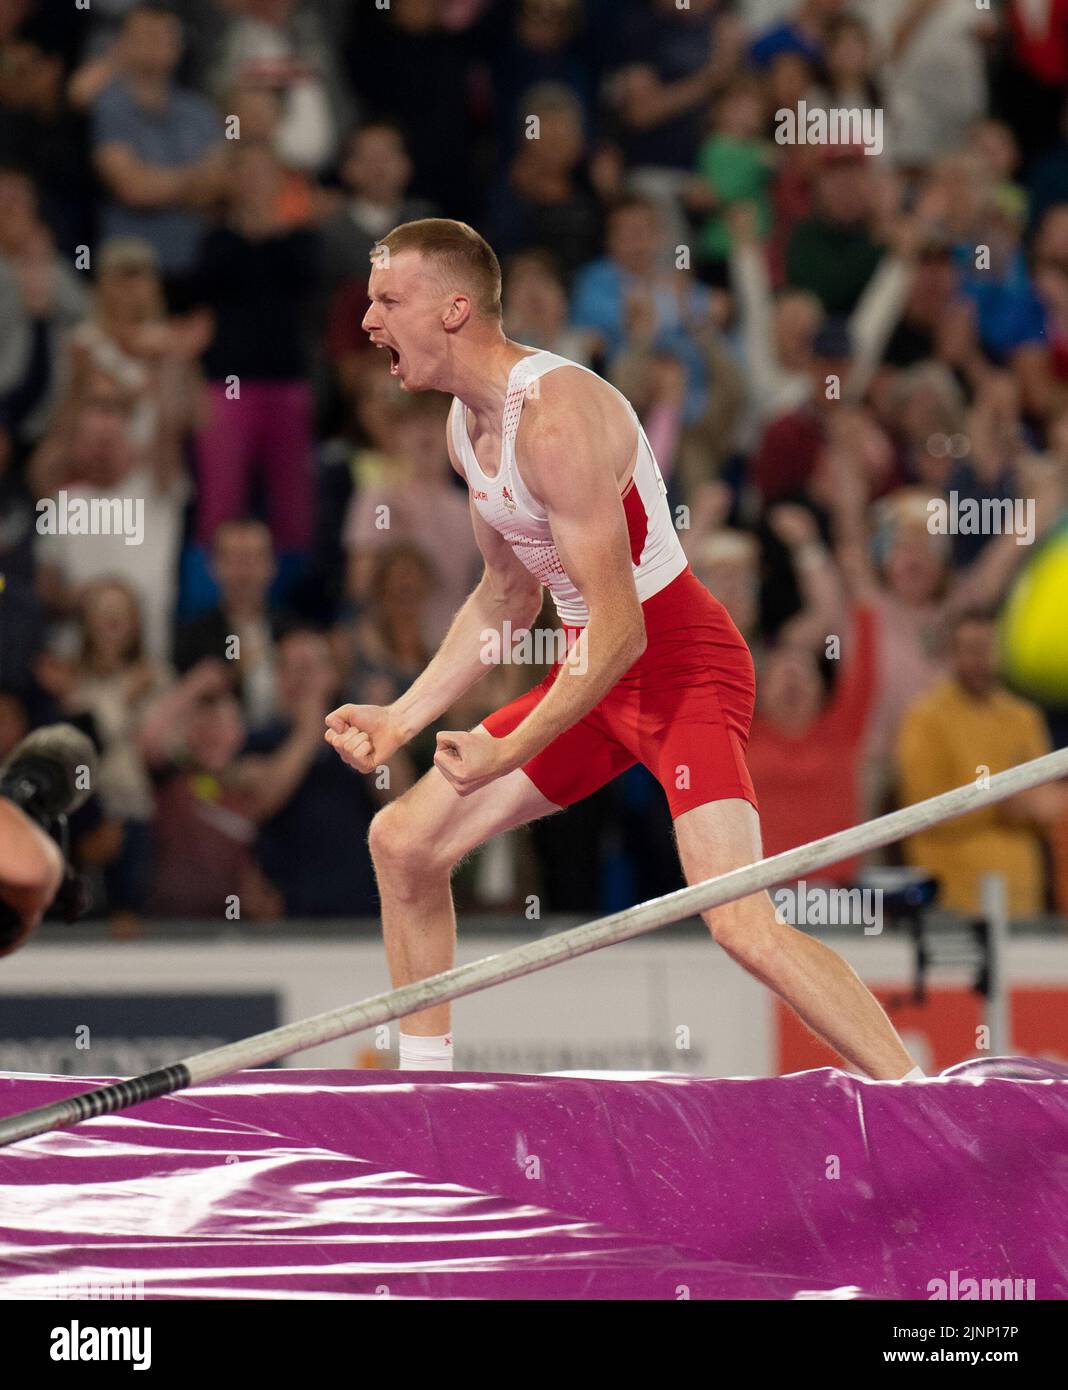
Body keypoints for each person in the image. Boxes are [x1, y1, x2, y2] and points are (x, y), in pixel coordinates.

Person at [324, 216, 922, 1082]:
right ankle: (431, 1098)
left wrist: (509, 742)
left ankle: (913, 1094)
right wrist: (403, 715)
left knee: (736, 920)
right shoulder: (466, 428)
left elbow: (624, 631)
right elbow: (507, 596)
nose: (368, 322)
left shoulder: (556, 422)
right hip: (593, 673)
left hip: (677, 665)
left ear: (455, 309)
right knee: (404, 845)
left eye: (388, 300)